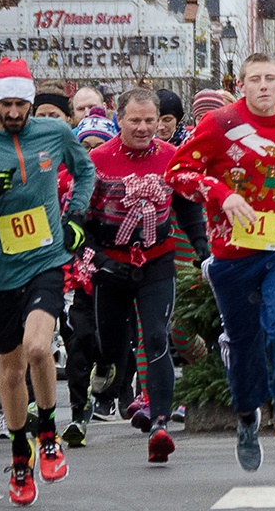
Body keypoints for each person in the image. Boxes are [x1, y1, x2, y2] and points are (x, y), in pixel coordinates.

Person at [167, 53, 275, 478]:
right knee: (242, 344)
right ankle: (247, 415)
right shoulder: (220, 124)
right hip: (232, 249)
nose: (263, 86)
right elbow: (178, 172)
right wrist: (221, 194)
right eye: (254, 79)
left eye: (270, 79)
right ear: (241, 85)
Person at [0, 58, 89, 504]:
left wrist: (76, 217)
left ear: (30, 102)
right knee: (9, 370)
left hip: (46, 257)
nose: (13, 112)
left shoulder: (55, 133)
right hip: (0, 269)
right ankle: (20, 454)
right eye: (5, 103)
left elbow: (85, 172)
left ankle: (46, 431)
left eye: (20, 104)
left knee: (39, 347)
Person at [86, 88, 206, 464]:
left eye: (149, 121)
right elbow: (80, 219)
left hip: (156, 261)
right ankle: (104, 367)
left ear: (160, 122)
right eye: (134, 120)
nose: (142, 128)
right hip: (111, 264)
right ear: (118, 119)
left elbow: (188, 210)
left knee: (157, 337)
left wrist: (203, 250)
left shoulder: (173, 158)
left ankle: (159, 426)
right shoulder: (97, 160)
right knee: (113, 345)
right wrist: (98, 258)